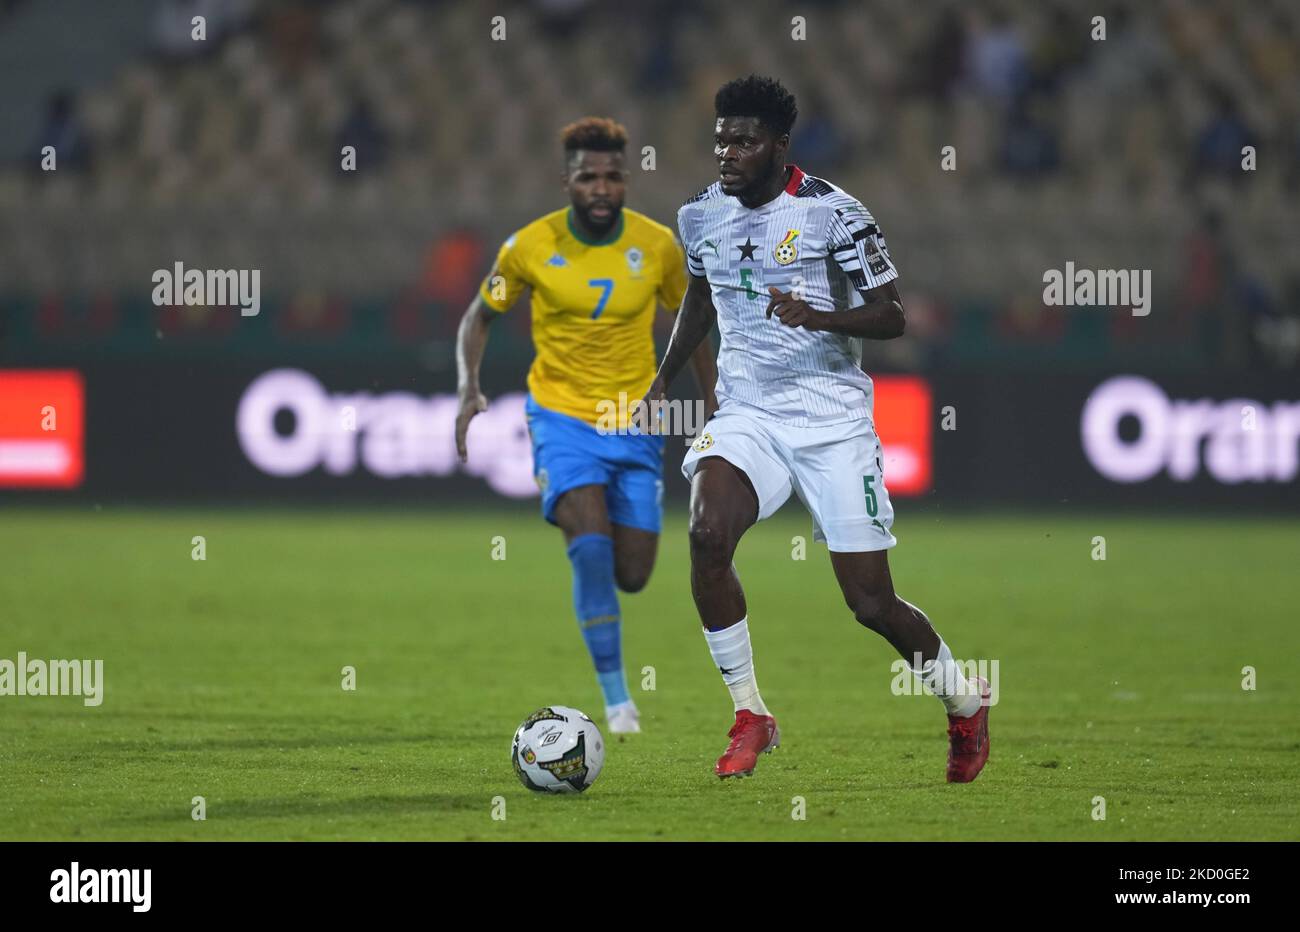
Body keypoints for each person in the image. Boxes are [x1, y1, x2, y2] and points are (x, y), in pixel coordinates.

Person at [646, 76, 990, 780]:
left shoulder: (836, 214)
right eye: (721, 141)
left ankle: (963, 703)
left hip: (832, 421)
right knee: (707, 534)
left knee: (870, 602)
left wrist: (818, 315)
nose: (728, 153)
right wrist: (664, 377)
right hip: (749, 412)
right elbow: (701, 299)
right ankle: (751, 714)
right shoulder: (700, 215)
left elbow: (893, 316)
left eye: (743, 141)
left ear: (778, 145)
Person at [456, 117, 717, 734]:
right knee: (592, 547)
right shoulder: (527, 247)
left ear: (626, 180)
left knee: (634, 573)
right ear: (567, 180)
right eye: (587, 177)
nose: (601, 188)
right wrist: (469, 386)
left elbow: (693, 325)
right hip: (561, 416)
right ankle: (618, 701)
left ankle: (614, 667)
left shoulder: (657, 247)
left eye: (612, 177)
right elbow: (478, 316)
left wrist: (715, 405)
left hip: (634, 423)